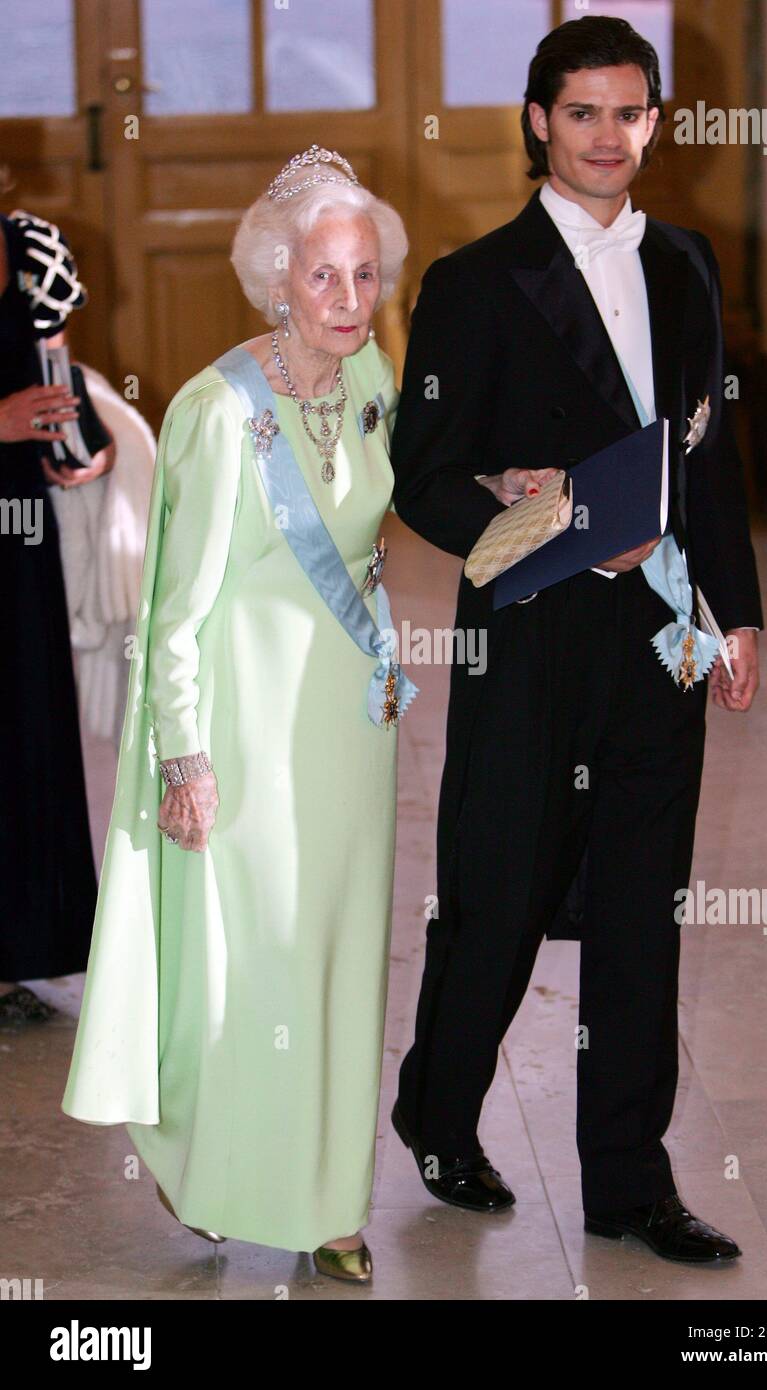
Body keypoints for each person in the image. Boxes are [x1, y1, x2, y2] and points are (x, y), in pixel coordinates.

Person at [390, 17, 762, 1264]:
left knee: (638, 906)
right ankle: (438, 1110)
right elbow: (423, 479)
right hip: (531, 638)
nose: (610, 137)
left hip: (658, 633)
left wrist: (737, 609)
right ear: (537, 122)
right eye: (584, 112)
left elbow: (707, 459)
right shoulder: (471, 282)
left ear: (655, 120)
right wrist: (526, 510)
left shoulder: (691, 265)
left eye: (631, 112)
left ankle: (627, 1179)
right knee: (496, 893)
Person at [62, 146, 415, 1283]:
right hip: (247, 735)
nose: (349, 302)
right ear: (276, 278)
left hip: (349, 732)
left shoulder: (372, 383)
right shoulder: (220, 411)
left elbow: (395, 513)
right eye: (323, 278)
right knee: (252, 965)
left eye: (366, 277)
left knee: (339, 960)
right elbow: (176, 609)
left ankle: (330, 1203)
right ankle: (201, 1155)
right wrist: (185, 754)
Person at [0, 208, 112, 1025]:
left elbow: (55, 376)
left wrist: (82, 441)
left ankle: (22, 951)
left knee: (24, 726)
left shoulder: (28, 247)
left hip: (15, 527)